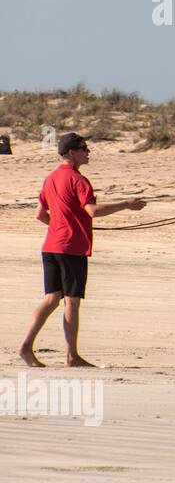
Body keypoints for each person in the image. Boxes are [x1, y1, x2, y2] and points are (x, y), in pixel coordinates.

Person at [17, 133, 146, 368]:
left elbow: (39, 214)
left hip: (51, 246)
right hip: (71, 248)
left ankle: (26, 346)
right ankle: (72, 356)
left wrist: (61, 226)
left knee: (52, 298)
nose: (88, 152)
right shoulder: (78, 180)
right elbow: (93, 211)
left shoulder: (50, 178)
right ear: (71, 153)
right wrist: (126, 204)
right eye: (83, 148)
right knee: (72, 302)